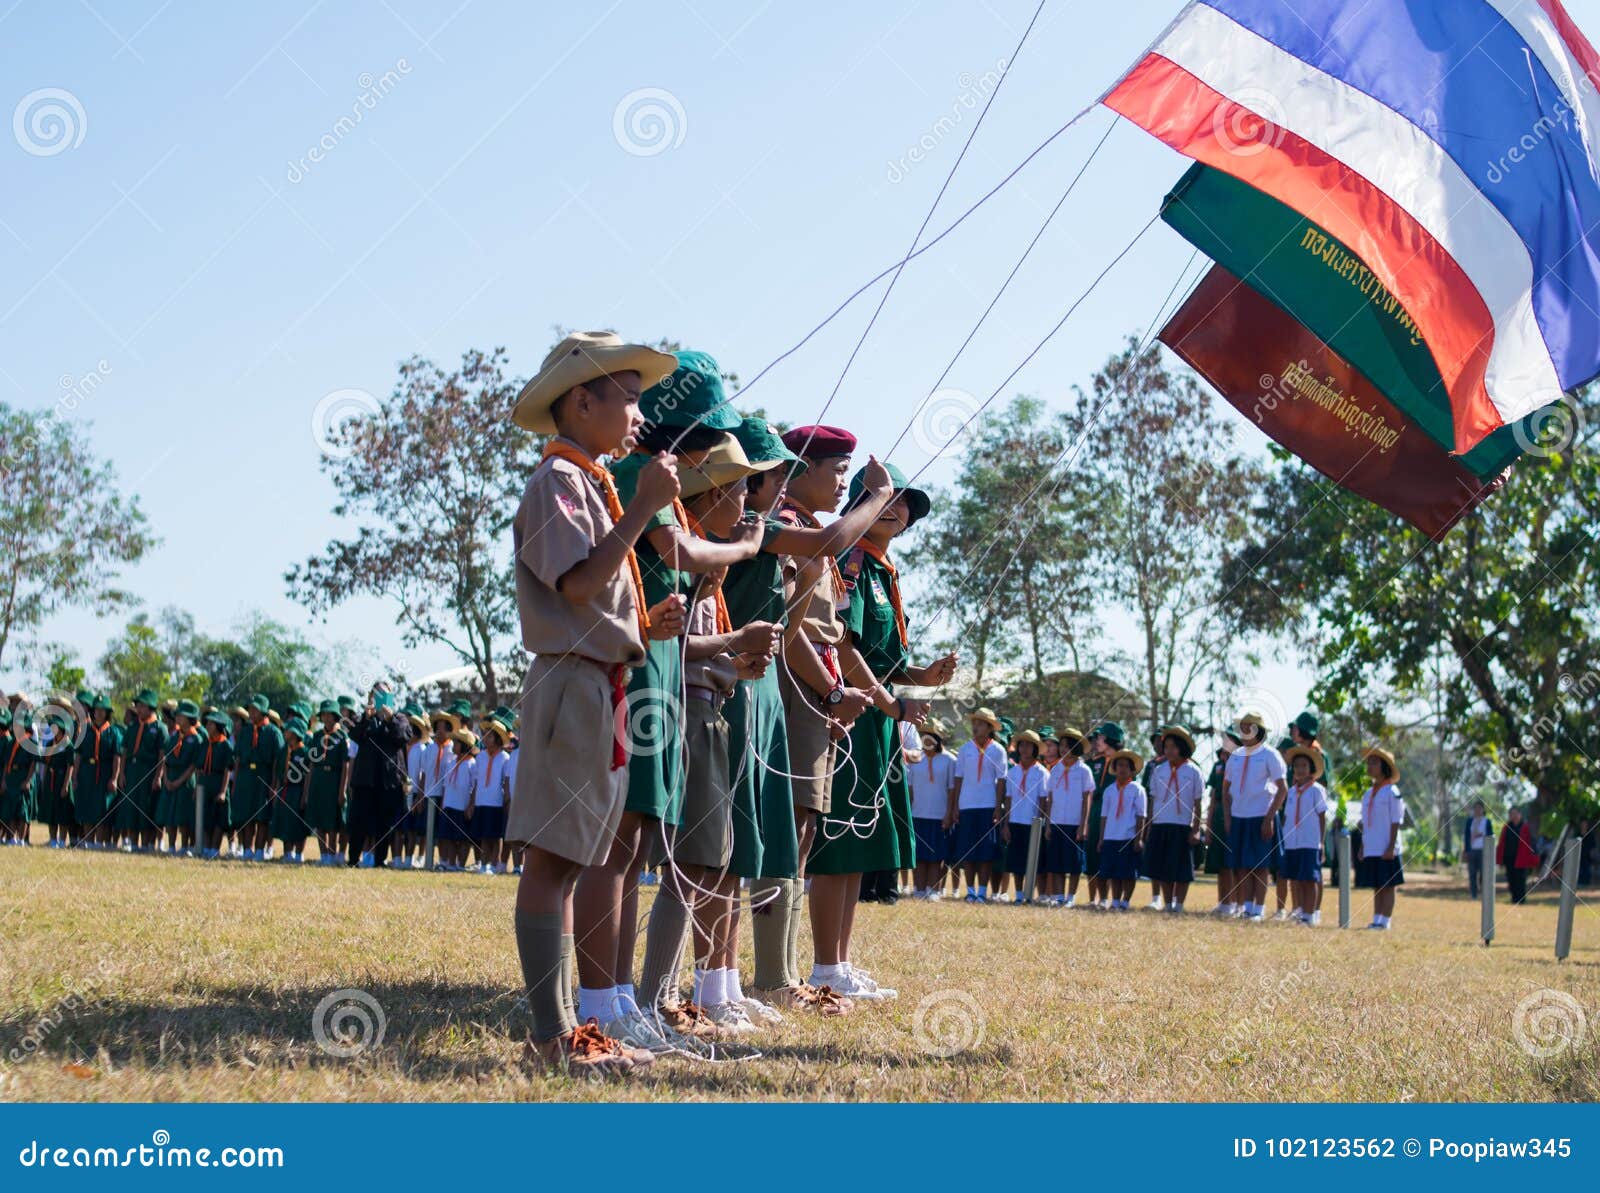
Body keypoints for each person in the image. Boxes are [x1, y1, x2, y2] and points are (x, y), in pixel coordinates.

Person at [570, 350, 763, 1057]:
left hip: (655, 667)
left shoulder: (666, 485)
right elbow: (678, 551)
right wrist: (739, 552)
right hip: (634, 667)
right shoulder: (635, 476)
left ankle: (620, 995)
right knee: (615, 842)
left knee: (637, 841)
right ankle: (600, 999)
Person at [505, 330, 681, 1074]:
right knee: (553, 861)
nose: (639, 416)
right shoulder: (557, 481)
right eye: (630, 398)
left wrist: (643, 625)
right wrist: (642, 507)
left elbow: (592, 598)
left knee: (577, 860)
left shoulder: (588, 483)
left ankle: (568, 1025)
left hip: (600, 682)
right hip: (571, 685)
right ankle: (550, 1034)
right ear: (583, 401)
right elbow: (575, 584)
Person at [641, 437, 783, 1036]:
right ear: (712, 494)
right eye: (739, 488)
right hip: (683, 717)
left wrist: (736, 664)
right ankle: (655, 995)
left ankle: (667, 994)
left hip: (708, 709)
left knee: (705, 863)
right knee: (688, 866)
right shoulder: (686, 559)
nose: (749, 499)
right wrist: (730, 644)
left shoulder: (706, 567)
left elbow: (701, 653)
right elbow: (670, 642)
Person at [808, 462, 943, 1000]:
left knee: (861, 841)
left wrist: (921, 679)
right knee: (840, 835)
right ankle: (822, 966)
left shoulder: (885, 574)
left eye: (906, 503)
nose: (897, 507)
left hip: (877, 718)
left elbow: (885, 658)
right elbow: (843, 643)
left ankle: (838, 963)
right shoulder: (851, 561)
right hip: (851, 715)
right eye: (885, 497)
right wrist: (889, 702)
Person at [1221, 710, 1286, 922]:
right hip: (1239, 816)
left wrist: (1269, 818)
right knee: (1241, 866)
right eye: (1242, 726)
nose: (1243, 730)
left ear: (1258, 730)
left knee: (1259, 866)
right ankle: (1246, 908)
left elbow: (1282, 788)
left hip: (1260, 816)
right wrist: (1229, 818)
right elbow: (1225, 789)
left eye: (1248, 726)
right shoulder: (1235, 756)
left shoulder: (1270, 755)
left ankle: (1258, 909)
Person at [346, 687, 411, 868]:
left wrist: (390, 719)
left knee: (385, 823)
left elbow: (403, 737)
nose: (380, 699)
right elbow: (355, 735)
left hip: (388, 781)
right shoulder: (364, 718)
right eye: (376, 695)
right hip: (365, 780)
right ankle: (353, 860)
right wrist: (368, 718)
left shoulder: (400, 719)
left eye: (384, 695)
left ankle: (380, 860)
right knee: (359, 821)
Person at [947, 708, 1007, 902]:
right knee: (968, 850)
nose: (976, 727)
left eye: (980, 724)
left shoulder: (998, 750)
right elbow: (958, 778)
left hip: (988, 805)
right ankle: (970, 891)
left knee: (986, 852)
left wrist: (998, 808)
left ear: (990, 728)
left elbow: (1002, 781)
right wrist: (955, 806)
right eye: (975, 723)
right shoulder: (965, 749)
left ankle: (982, 891)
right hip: (967, 805)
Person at [1145, 725, 1204, 913]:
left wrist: (1196, 829)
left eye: (1173, 747)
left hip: (1182, 826)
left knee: (1182, 870)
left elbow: (1198, 803)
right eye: (1166, 746)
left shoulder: (1193, 771)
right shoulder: (1158, 770)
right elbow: (1153, 800)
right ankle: (1168, 903)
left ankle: (1179, 904)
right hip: (1161, 824)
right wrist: (1149, 827)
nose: (1168, 750)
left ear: (1183, 747)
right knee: (1164, 869)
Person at [1042, 726, 1093, 907]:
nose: (1063, 749)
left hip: (1074, 823)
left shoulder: (1084, 770)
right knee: (1056, 863)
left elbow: (1087, 798)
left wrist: (1083, 824)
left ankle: (1070, 897)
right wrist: (1048, 825)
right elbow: (1051, 799)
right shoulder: (1055, 770)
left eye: (1068, 745)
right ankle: (1058, 896)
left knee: (1074, 864)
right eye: (1061, 745)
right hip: (1057, 822)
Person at [1356, 747, 1405, 929]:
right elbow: (1366, 823)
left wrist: (1391, 846)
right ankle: (1376, 918)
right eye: (1369, 762)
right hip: (1373, 846)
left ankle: (1385, 920)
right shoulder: (1368, 793)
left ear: (1384, 767)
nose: (1370, 766)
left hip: (1387, 846)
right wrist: (1363, 846)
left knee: (1388, 884)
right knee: (1377, 884)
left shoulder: (1392, 791)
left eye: (1374, 762)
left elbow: (1396, 820)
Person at [116, 690, 168, 854]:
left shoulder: (159, 728)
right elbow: (124, 752)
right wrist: (122, 773)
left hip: (149, 771)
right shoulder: (133, 727)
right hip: (132, 770)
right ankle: (132, 842)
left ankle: (146, 844)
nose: (138, 709)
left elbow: (162, 754)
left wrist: (158, 776)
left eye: (142, 706)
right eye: (137, 705)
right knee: (131, 807)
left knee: (146, 807)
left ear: (151, 707)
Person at [909, 719, 956, 900]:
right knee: (919, 855)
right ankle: (919, 889)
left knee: (936, 856)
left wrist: (949, 813)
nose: (925, 739)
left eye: (929, 736)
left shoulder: (949, 760)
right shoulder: (915, 758)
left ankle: (933, 889)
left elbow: (952, 790)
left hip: (939, 815)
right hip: (918, 813)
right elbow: (910, 788)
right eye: (923, 736)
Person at [1280, 746, 1328, 924]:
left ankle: (1311, 914)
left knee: (1309, 879)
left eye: (1304, 766)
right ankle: (1299, 911)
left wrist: (1321, 843)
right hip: (1292, 842)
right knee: (1296, 879)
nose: (1300, 769)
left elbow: (1322, 817)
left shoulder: (1316, 790)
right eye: (1297, 766)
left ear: (1311, 769)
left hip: (1310, 841)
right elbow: (1286, 817)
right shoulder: (1291, 792)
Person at [1096, 748, 1147, 911]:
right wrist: (1101, 838)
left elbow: (1141, 816)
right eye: (1119, 765)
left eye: (1126, 766)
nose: (1122, 769)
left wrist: (1139, 838)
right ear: (1115, 768)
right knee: (1113, 872)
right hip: (1111, 836)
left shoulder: (1137, 789)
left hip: (1128, 836)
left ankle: (1126, 900)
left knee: (1128, 873)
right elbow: (1104, 816)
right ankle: (1115, 900)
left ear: (1132, 770)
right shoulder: (1109, 790)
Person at [1001, 729, 1048, 903]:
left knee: (1032, 860)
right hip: (1015, 821)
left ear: (1035, 749)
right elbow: (1009, 799)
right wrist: (1005, 824)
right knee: (1016, 860)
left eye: (1029, 745)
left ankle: (1029, 893)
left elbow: (1044, 800)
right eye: (1022, 744)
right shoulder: (1013, 772)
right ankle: (1019, 894)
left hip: (1033, 823)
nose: (1024, 748)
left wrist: (1041, 822)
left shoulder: (1041, 772)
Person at [72, 696, 120, 850]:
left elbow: (117, 757)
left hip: (104, 771)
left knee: (101, 808)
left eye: (102, 710)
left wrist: (114, 778)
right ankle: (88, 840)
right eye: (96, 710)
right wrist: (75, 776)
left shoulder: (113, 732)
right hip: (87, 772)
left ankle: (99, 842)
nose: (98, 713)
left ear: (107, 713)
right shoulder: (85, 731)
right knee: (86, 806)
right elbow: (78, 755)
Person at [156, 700, 203, 855]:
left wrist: (179, 781)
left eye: (181, 716)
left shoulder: (197, 739)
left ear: (190, 718)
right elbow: (166, 759)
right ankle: (171, 846)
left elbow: (194, 765)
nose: (177, 718)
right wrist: (167, 779)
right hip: (171, 777)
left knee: (183, 815)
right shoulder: (174, 737)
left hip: (186, 781)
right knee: (170, 814)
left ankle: (184, 846)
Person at [470, 714, 514, 875]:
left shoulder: (505, 758)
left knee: (495, 837)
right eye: (485, 735)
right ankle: (484, 865)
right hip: (481, 801)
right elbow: (475, 782)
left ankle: (495, 865)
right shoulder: (480, 757)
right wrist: (472, 803)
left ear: (497, 738)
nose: (485, 738)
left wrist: (506, 801)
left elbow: (506, 782)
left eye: (489, 735)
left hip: (496, 802)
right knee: (483, 836)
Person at [1204, 730, 1238, 911]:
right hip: (1218, 816)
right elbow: (1212, 798)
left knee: (1233, 863)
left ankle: (1234, 903)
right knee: (1220, 863)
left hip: (1236, 814)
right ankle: (1223, 902)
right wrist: (1208, 828)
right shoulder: (1218, 765)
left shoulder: (1242, 764)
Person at [195, 710, 233, 859]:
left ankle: (214, 848)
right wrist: (197, 787)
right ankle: (206, 846)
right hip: (205, 782)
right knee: (207, 817)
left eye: (211, 724)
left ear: (218, 726)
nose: (208, 726)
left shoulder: (225, 746)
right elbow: (199, 767)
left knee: (219, 818)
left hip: (218, 782)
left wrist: (223, 791)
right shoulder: (205, 743)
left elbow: (227, 770)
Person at [272, 719, 311, 863]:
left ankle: (299, 853)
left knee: (298, 822)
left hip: (298, 790)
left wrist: (305, 795)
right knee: (285, 821)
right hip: (285, 790)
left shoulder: (305, 752)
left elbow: (307, 775)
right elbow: (279, 772)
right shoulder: (284, 751)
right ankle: (287, 853)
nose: (285, 732)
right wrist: (276, 790)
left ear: (295, 733)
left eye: (288, 730)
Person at [1, 707, 38, 845]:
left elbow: (33, 764)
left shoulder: (31, 743)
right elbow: (6, 763)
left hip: (23, 777)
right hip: (12, 778)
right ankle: (12, 838)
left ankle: (22, 839)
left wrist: (28, 780)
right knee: (11, 810)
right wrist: (4, 780)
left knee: (23, 811)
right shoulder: (11, 743)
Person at [1497, 805, 1539, 904]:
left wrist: (1533, 857)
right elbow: (1502, 843)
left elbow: (1532, 843)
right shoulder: (1506, 827)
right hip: (1509, 859)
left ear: (1520, 814)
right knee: (1511, 880)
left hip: (1522, 859)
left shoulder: (1525, 827)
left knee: (1520, 880)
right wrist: (1500, 859)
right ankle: (1514, 899)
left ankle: (1521, 900)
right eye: (1511, 814)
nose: (1514, 816)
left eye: (1515, 814)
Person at [1464, 800, 1492, 897]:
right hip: (1472, 850)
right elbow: (1466, 836)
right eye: (1475, 808)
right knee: (1472, 873)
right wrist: (1467, 850)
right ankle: (1473, 894)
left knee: (1483, 873)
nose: (1477, 810)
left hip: (1483, 850)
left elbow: (1490, 836)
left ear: (1483, 809)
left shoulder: (1486, 821)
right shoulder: (1470, 821)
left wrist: (1481, 835)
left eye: (1479, 808)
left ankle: (1483, 893)